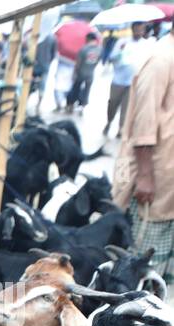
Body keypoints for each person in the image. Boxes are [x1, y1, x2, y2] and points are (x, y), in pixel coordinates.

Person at [115, 28, 174, 290]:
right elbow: (144, 122)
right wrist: (146, 175)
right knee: (142, 262)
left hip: (169, 177)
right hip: (154, 178)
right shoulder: (161, 59)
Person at [105, 22, 154, 137]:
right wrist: (120, 52)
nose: (138, 32)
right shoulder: (122, 42)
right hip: (118, 80)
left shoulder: (146, 45)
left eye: (141, 30)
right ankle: (109, 122)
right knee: (113, 103)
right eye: (136, 29)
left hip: (133, 82)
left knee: (126, 108)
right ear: (132, 29)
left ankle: (121, 129)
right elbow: (111, 58)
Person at [67, 31, 102, 113]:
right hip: (90, 73)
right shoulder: (100, 49)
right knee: (87, 90)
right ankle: (82, 106)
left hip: (81, 72)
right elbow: (98, 61)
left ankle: (71, 105)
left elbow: (78, 63)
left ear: (88, 38)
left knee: (76, 89)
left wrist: (74, 73)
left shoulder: (84, 48)